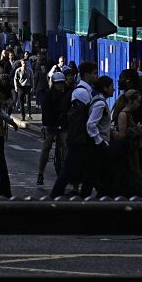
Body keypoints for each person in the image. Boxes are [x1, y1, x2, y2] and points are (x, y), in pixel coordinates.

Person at [49, 62, 98, 198]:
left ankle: (83, 193)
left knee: (89, 170)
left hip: (81, 138)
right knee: (68, 169)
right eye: (94, 73)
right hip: (79, 138)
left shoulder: (85, 91)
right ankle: (55, 195)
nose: (96, 76)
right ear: (86, 74)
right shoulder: (82, 92)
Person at [111, 88, 142, 197]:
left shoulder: (128, 113)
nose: (139, 104)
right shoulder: (124, 114)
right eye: (138, 101)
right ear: (131, 101)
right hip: (126, 151)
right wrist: (111, 131)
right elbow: (121, 135)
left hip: (130, 150)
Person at [37, 70, 69, 186]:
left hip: (64, 123)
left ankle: (65, 171)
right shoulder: (48, 95)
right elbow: (45, 112)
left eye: (61, 82)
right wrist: (44, 125)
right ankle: (40, 173)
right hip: (51, 123)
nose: (60, 85)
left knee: (65, 145)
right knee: (46, 146)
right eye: (57, 83)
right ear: (53, 83)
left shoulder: (67, 93)